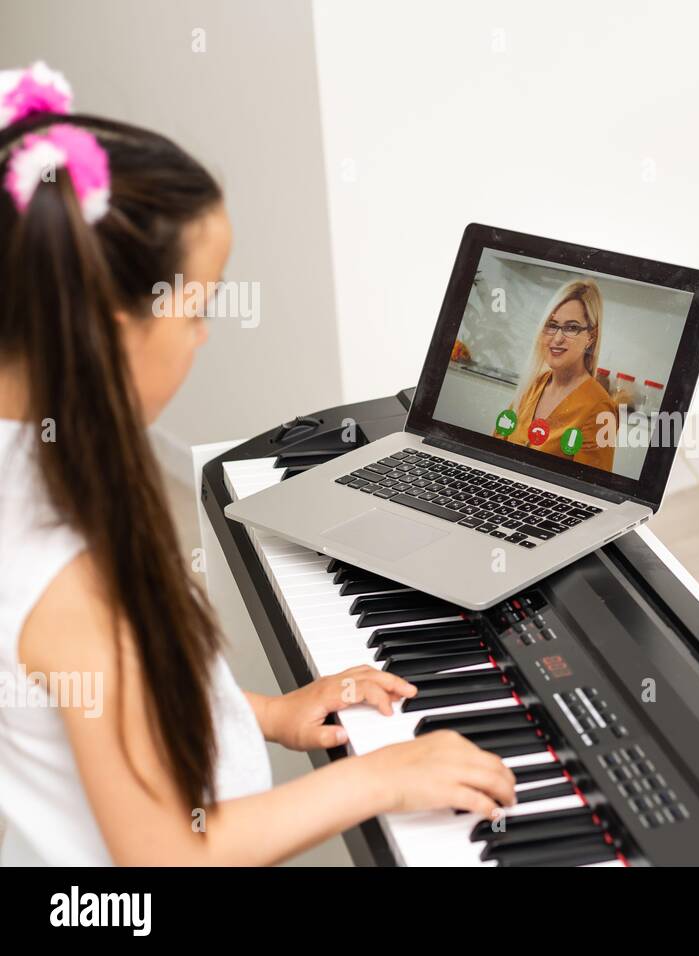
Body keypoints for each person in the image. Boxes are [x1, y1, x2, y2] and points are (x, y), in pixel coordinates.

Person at [0, 62, 515, 866]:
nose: (204, 335)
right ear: (107, 324)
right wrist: (382, 776)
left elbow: (99, 710)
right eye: (197, 308)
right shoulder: (65, 572)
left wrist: (266, 717)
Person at [495, 278, 617, 471]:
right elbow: (495, 446)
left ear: (590, 337)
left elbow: (591, 489)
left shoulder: (600, 408)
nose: (557, 338)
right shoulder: (534, 385)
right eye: (552, 325)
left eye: (571, 327)